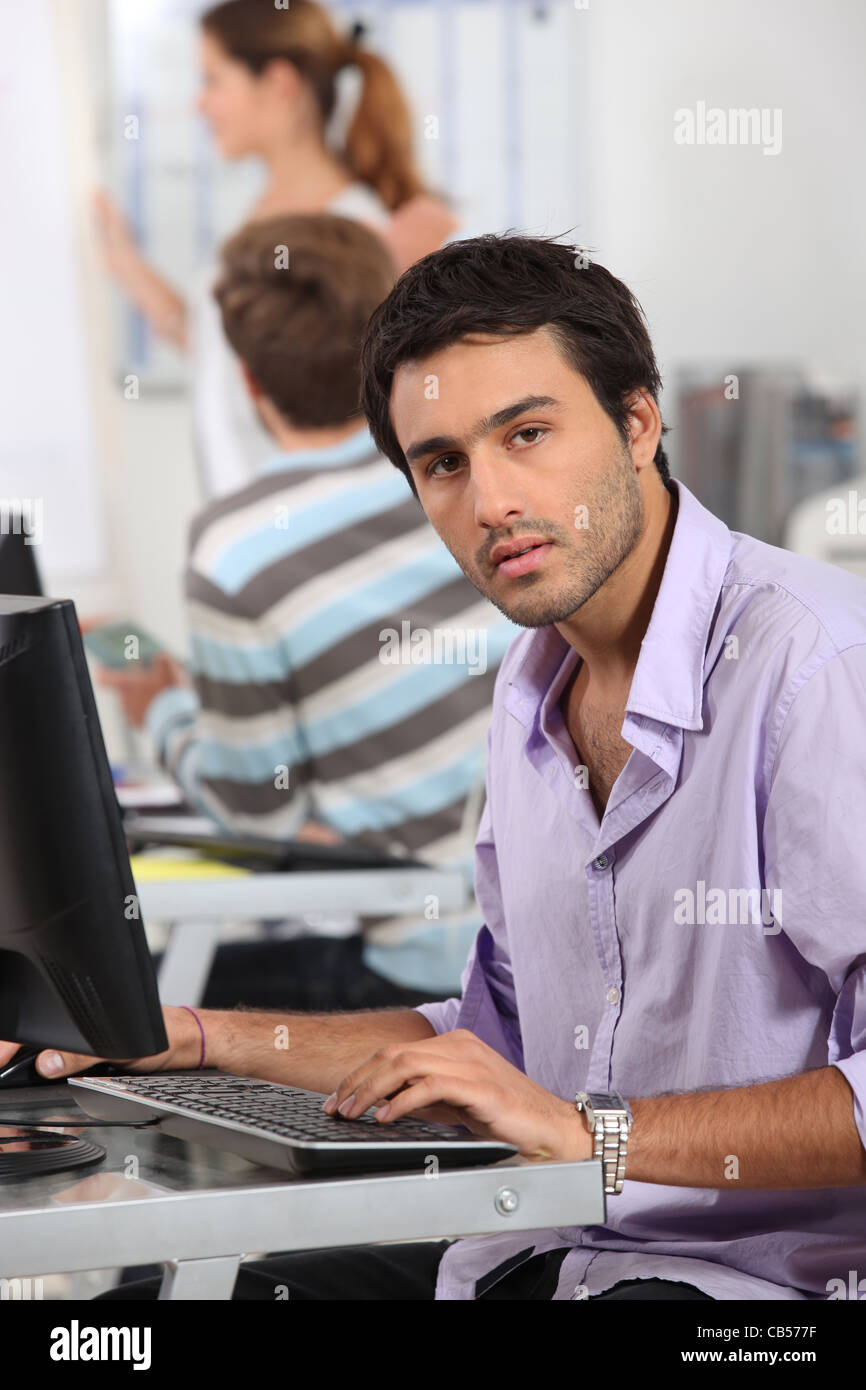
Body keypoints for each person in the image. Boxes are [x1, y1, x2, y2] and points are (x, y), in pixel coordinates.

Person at [11, 233, 866, 1301]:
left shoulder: (812, 668)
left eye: (527, 433)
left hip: (747, 1292)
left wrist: (579, 1130)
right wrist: (188, 1036)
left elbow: (567, 1114)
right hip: (542, 1248)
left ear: (636, 422)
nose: (490, 500)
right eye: (443, 463)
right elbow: (495, 1040)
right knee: (133, 1318)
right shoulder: (529, 688)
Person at [100, 212, 516, 1010]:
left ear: (248, 382)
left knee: (130, 1004)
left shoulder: (236, 546)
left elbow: (263, 813)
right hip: (525, 932)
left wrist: (163, 711)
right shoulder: (449, 469)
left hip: (418, 962)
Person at [95, 0, 457, 499]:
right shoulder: (264, 213)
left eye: (214, 80)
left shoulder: (351, 232)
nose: (199, 103)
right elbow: (224, 346)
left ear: (280, 84)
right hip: (248, 518)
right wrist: (127, 266)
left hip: (303, 530)